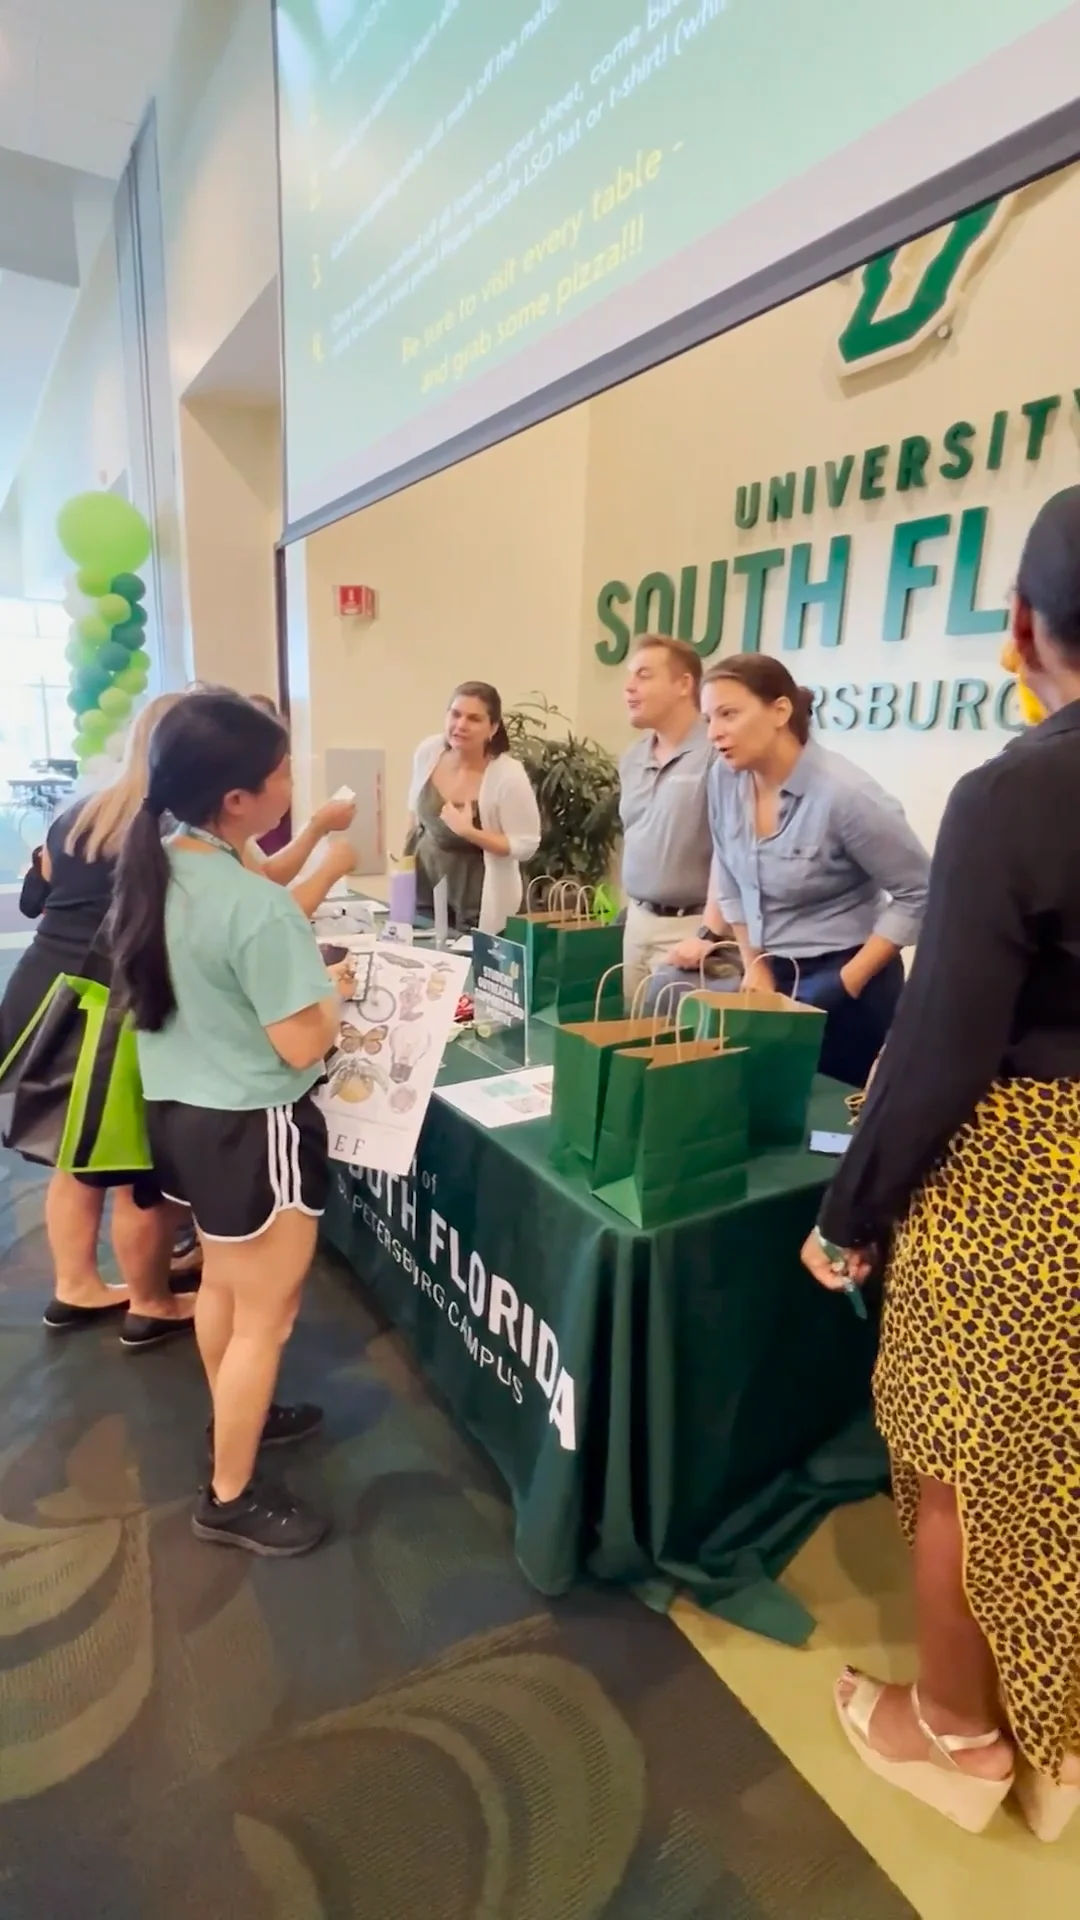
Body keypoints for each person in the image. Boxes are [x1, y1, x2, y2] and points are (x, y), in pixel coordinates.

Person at [801, 487, 1080, 1843]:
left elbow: (941, 1043)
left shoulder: (1017, 793)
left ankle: (963, 1734)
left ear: (1021, 624)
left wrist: (849, 1211)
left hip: (1028, 1173)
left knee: (965, 1448)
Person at [111, 691, 350, 1557]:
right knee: (266, 1318)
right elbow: (300, 1043)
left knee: (222, 1284)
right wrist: (332, 995)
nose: (292, 784)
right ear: (237, 799)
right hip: (254, 1125)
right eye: (281, 772)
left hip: (182, 1115)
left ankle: (236, 1419)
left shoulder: (157, 870)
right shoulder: (256, 905)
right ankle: (231, 1495)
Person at [0, 694, 196, 1344]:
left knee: (76, 1156)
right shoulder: (170, 829)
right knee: (134, 1168)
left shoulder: (78, 815)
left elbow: (38, 894)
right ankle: (152, 1300)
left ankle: (75, 1284)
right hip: (110, 1008)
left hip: (41, 993)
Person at [672, 654, 929, 1087]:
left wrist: (848, 981)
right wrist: (754, 963)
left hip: (848, 981)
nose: (714, 733)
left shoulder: (847, 795)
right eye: (708, 718)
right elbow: (731, 875)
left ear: (780, 711)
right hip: (770, 971)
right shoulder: (723, 779)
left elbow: (920, 892)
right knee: (764, 1101)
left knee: (830, 1112)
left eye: (728, 714)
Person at [618, 636, 733, 1001]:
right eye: (629, 676)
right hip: (637, 923)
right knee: (631, 1030)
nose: (629, 687)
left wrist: (708, 933)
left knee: (675, 1035)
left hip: (691, 929)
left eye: (643, 675)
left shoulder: (717, 753)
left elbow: (731, 852)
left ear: (684, 684)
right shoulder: (632, 757)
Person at [406, 682, 540, 932]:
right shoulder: (429, 751)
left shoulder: (508, 776)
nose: (461, 725)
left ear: (493, 728)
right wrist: (403, 868)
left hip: (477, 902)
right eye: (455, 714)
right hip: (425, 890)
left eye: (474, 719)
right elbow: (414, 812)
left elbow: (526, 845)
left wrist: (469, 832)